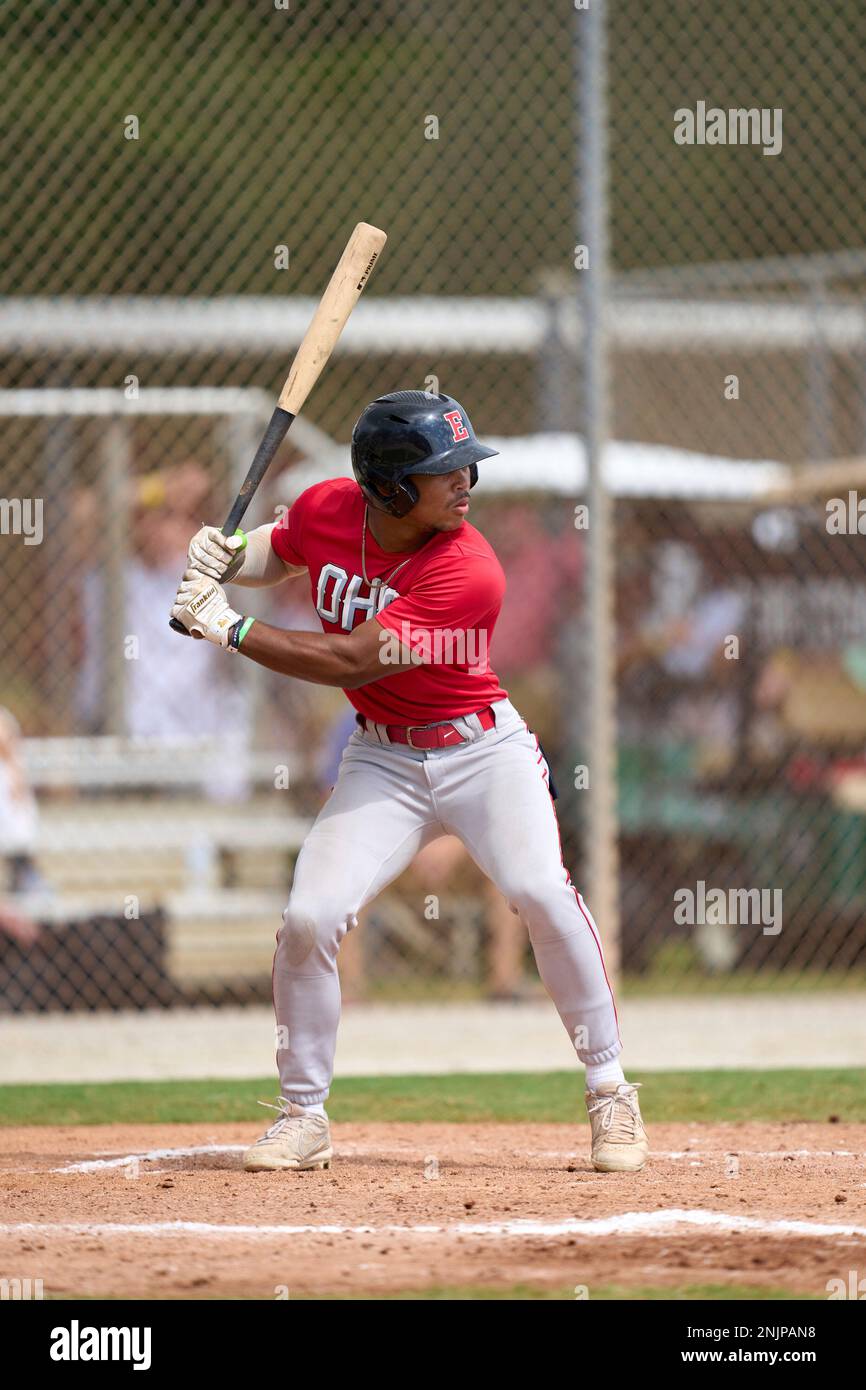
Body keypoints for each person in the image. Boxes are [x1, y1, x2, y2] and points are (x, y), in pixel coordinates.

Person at [171, 390, 648, 1175]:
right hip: (383, 758)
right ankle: (302, 1115)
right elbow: (281, 549)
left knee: (539, 891)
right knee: (310, 918)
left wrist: (229, 626)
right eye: (443, 470)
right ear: (389, 487)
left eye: (466, 466)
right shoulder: (329, 506)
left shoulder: (471, 570)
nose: (465, 481)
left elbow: (353, 661)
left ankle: (610, 1093)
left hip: (481, 751)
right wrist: (227, 559)